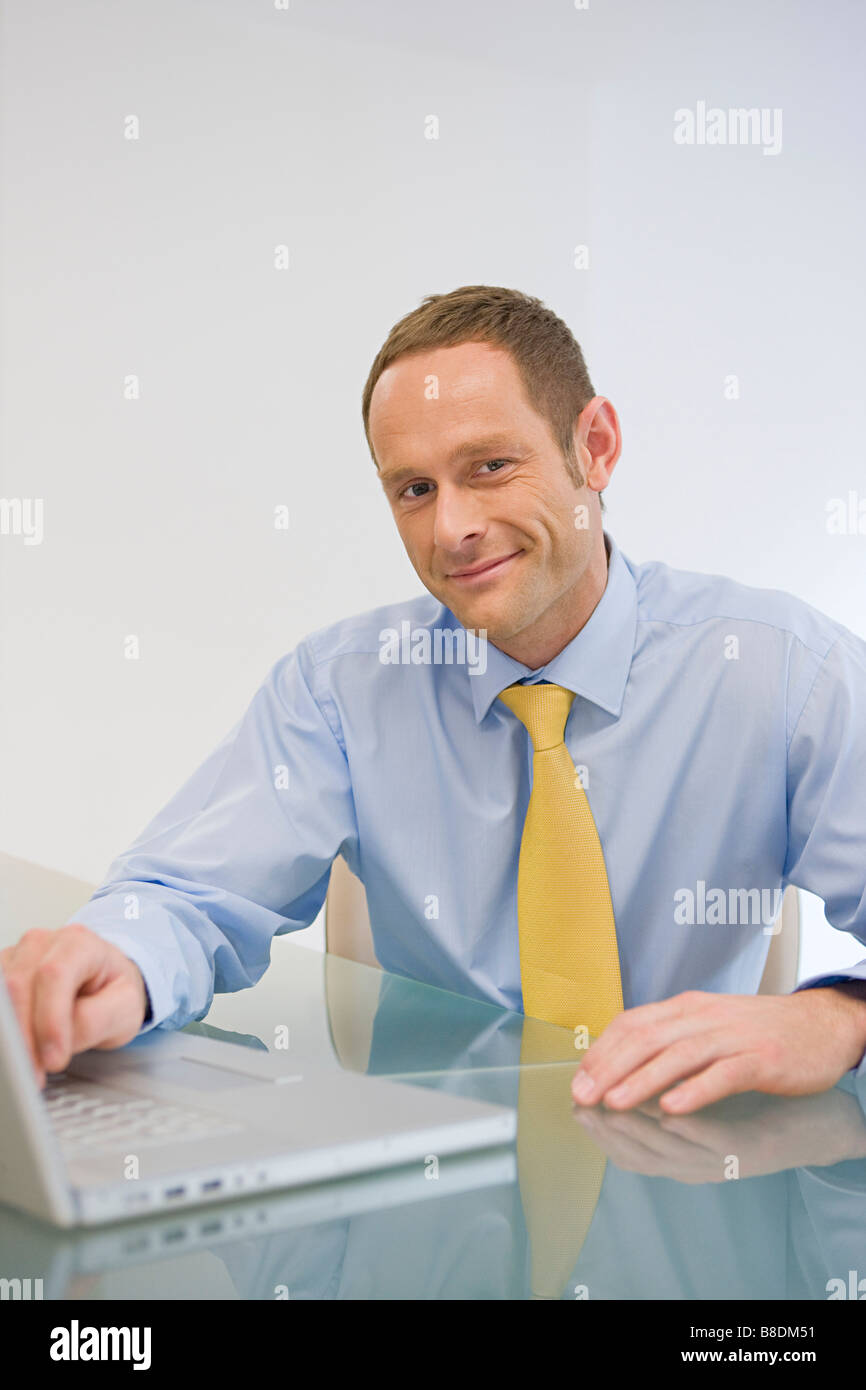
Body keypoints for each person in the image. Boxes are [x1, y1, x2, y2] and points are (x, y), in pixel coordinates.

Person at [4, 284, 866, 1116]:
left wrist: (839, 1016)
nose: (451, 527)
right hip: (430, 1198)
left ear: (595, 446)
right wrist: (113, 958)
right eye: (414, 489)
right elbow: (186, 898)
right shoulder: (341, 689)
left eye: (490, 467)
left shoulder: (783, 673)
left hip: (692, 1186)